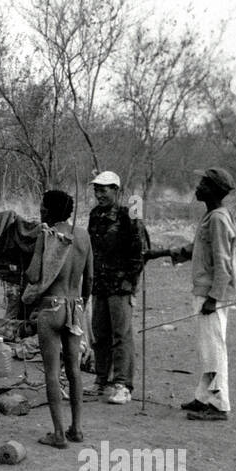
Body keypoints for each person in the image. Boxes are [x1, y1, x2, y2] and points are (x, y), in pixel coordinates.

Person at [23, 189, 93, 448]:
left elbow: (32, 275)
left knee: (52, 373)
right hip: (75, 306)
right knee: (74, 370)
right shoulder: (83, 236)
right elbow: (90, 278)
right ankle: (77, 429)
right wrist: (81, 305)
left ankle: (58, 434)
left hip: (51, 307)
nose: (40, 210)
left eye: (43, 207)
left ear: (50, 211)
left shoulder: (48, 235)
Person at [169, 167, 236, 420]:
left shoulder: (218, 218)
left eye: (203, 184)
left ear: (214, 190)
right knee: (207, 349)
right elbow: (200, 248)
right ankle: (204, 397)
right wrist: (171, 253)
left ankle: (219, 405)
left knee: (214, 349)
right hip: (207, 291)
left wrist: (213, 297)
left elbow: (222, 262)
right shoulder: (212, 215)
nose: (198, 187)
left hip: (212, 294)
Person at [86, 171, 146, 405]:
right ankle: (101, 379)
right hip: (99, 284)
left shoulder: (128, 215)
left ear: (116, 190)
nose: (99, 194)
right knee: (99, 334)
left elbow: (138, 253)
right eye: (96, 190)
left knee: (121, 335)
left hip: (120, 285)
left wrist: (130, 283)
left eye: (104, 189)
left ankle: (122, 384)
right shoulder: (94, 215)